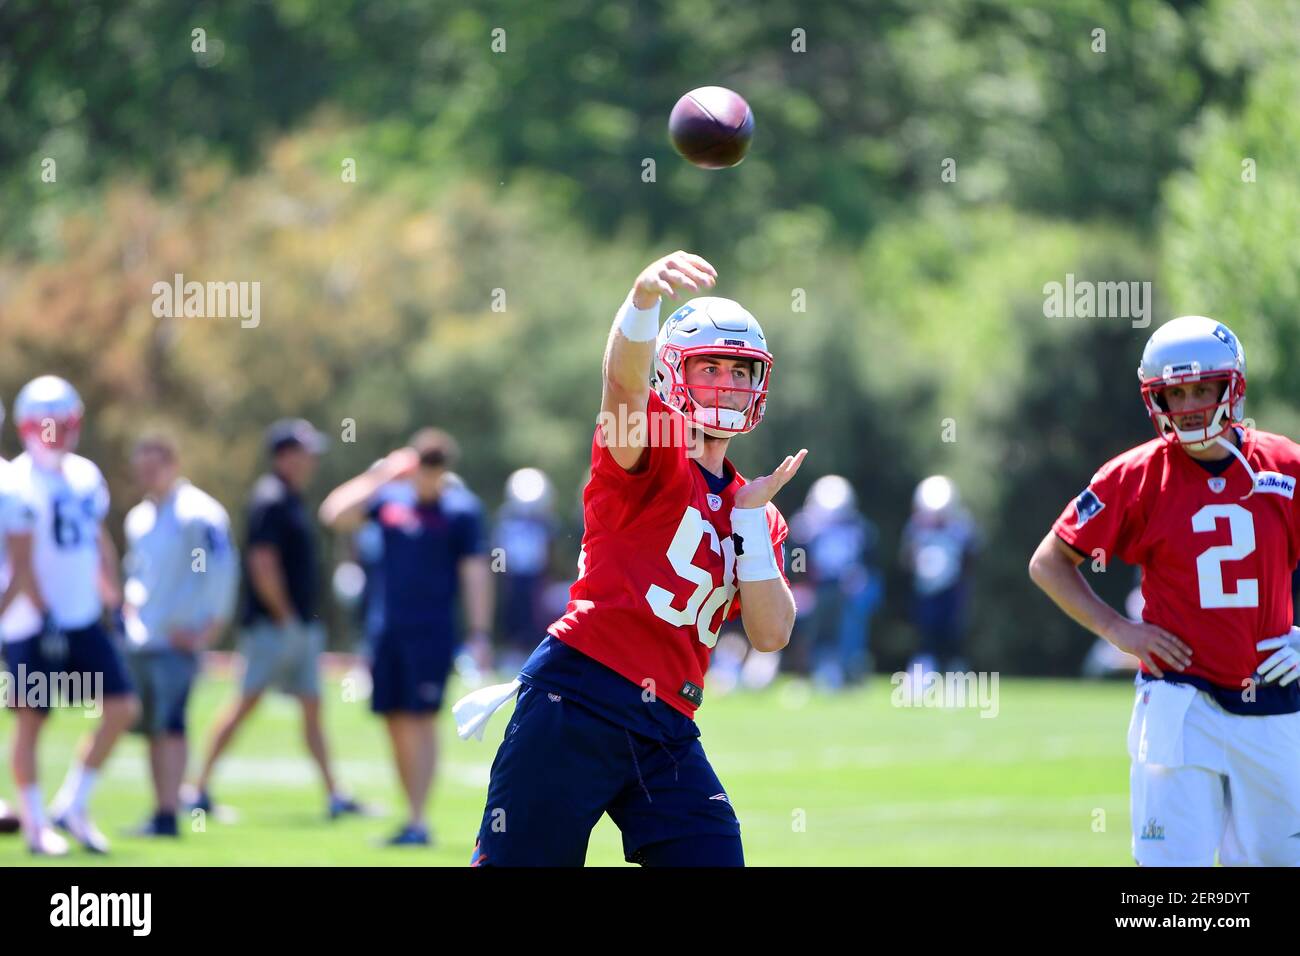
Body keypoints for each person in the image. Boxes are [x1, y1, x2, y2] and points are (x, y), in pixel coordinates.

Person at [461, 250, 806, 866]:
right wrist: (643, 301)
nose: (727, 384)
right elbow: (621, 384)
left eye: (740, 370)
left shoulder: (759, 509)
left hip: (667, 724)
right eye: (710, 367)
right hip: (578, 699)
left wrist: (751, 521)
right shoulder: (651, 448)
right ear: (673, 370)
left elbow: (772, 633)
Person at [1029, 315, 1300, 866]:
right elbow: (1050, 562)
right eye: (1177, 392)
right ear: (1157, 399)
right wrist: (1117, 629)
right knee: (1173, 886)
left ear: (1233, 386)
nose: (1192, 403)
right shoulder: (1135, 476)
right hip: (1178, 700)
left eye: (1204, 388)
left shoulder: (1285, 465)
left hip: (1274, 700)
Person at [320, 428, 492, 846]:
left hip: (431, 633)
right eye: (423, 465)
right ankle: (411, 815)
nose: (429, 475)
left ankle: (418, 819)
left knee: (423, 719)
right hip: (386, 631)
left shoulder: (461, 511)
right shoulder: (390, 500)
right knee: (395, 719)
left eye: (436, 467)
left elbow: (475, 574)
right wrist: (381, 475)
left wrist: (480, 632)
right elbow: (333, 514)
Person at [191, 418, 363, 820]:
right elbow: (262, 563)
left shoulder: (289, 498)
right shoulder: (270, 499)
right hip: (275, 627)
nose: (312, 461)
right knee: (245, 702)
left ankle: (335, 794)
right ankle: (196, 788)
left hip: (296, 626)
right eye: (305, 453)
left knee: (312, 709)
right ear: (284, 456)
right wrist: (285, 616)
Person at [0, 376, 140, 855]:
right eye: (46, 425)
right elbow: (21, 558)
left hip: (80, 617)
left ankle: (73, 804)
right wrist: (43, 611)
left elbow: (93, 537)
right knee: (32, 720)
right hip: (33, 620)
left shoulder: (85, 474)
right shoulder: (16, 481)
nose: (55, 434)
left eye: (62, 424)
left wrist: (113, 595)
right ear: (27, 427)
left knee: (122, 708)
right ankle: (37, 826)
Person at [121, 433, 238, 837]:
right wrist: (128, 607)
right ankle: (161, 809)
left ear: (173, 464)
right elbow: (137, 573)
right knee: (151, 726)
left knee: (171, 723)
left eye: (155, 467)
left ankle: (170, 812)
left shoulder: (197, 513)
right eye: (143, 469)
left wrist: (208, 625)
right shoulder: (139, 517)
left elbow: (220, 571)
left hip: (177, 638)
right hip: (143, 637)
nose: (148, 476)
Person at [790, 474, 882, 690]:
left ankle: (848, 671)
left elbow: (868, 564)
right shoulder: (804, 527)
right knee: (804, 628)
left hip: (845, 590)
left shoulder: (859, 529)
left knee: (849, 626)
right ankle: (803, 675)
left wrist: (858, 578)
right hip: (815, 589)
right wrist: (803, 582)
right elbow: (796, 561)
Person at [900, 475, 978, 679]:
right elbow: (907, 560)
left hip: (952, 590)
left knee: (952, 636)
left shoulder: (959, 529)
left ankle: (955, 678)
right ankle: (923, 676)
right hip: (925, 591)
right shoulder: (916, 529)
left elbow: (969, 559)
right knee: (926, 635)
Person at [493, 467, 557, 676]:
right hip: (513, 576)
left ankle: (533, 652)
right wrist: (500, 572)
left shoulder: (545, 522)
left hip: (535, 576)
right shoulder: (505, 518)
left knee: (536, 614)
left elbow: (549, 551)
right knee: (513, 613)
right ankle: (513, 652)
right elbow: (498, 549)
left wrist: (547, 573)